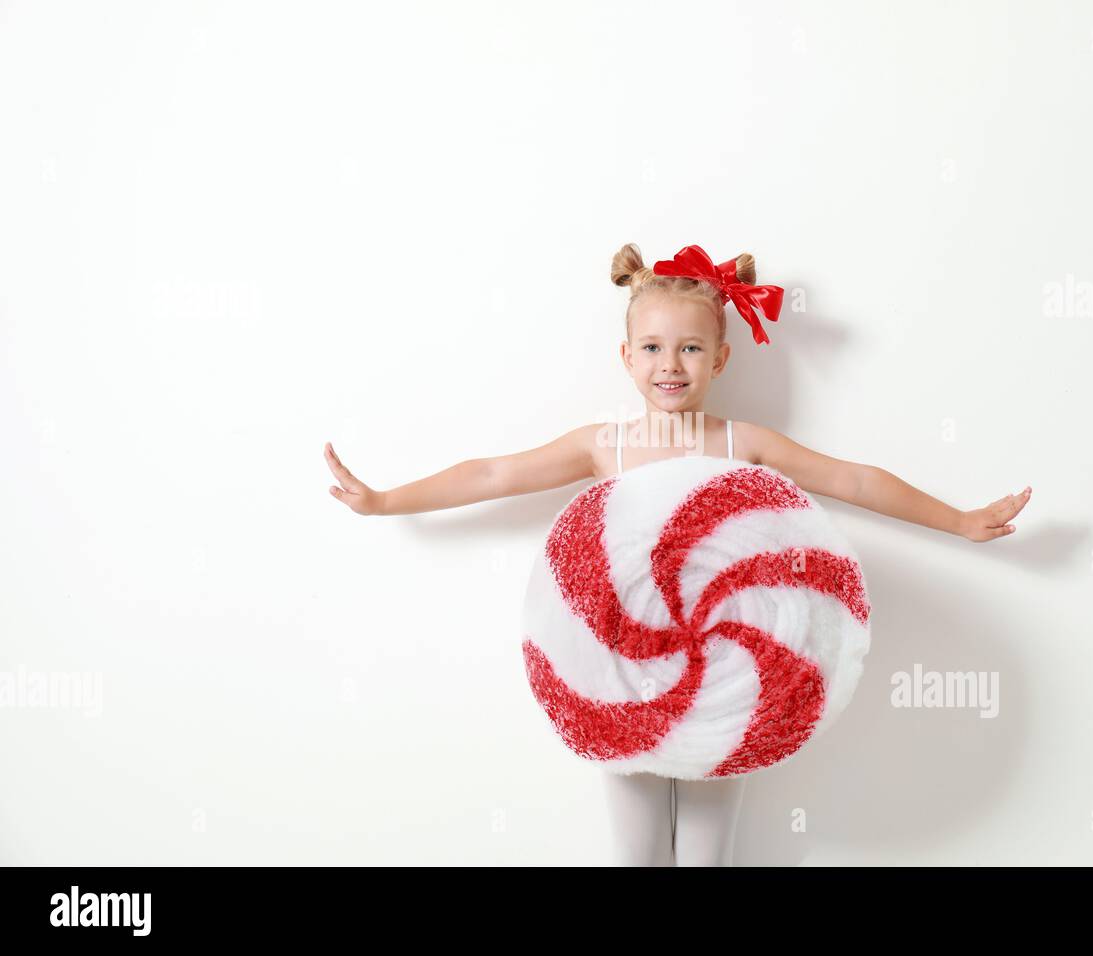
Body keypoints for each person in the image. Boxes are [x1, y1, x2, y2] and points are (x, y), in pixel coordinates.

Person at [324, 242, 1032, 865]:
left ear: (720, 357)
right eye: (654, 348)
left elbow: (850, 480)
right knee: (634, 856)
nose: (672, 365)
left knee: (704, 858)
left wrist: (959, 520)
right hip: (617, 675)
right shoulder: (605, 444)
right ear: (626, 357)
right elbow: (493, 474)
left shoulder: (741, 444)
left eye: (691, 348)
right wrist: (386, 501)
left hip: (728, 680)